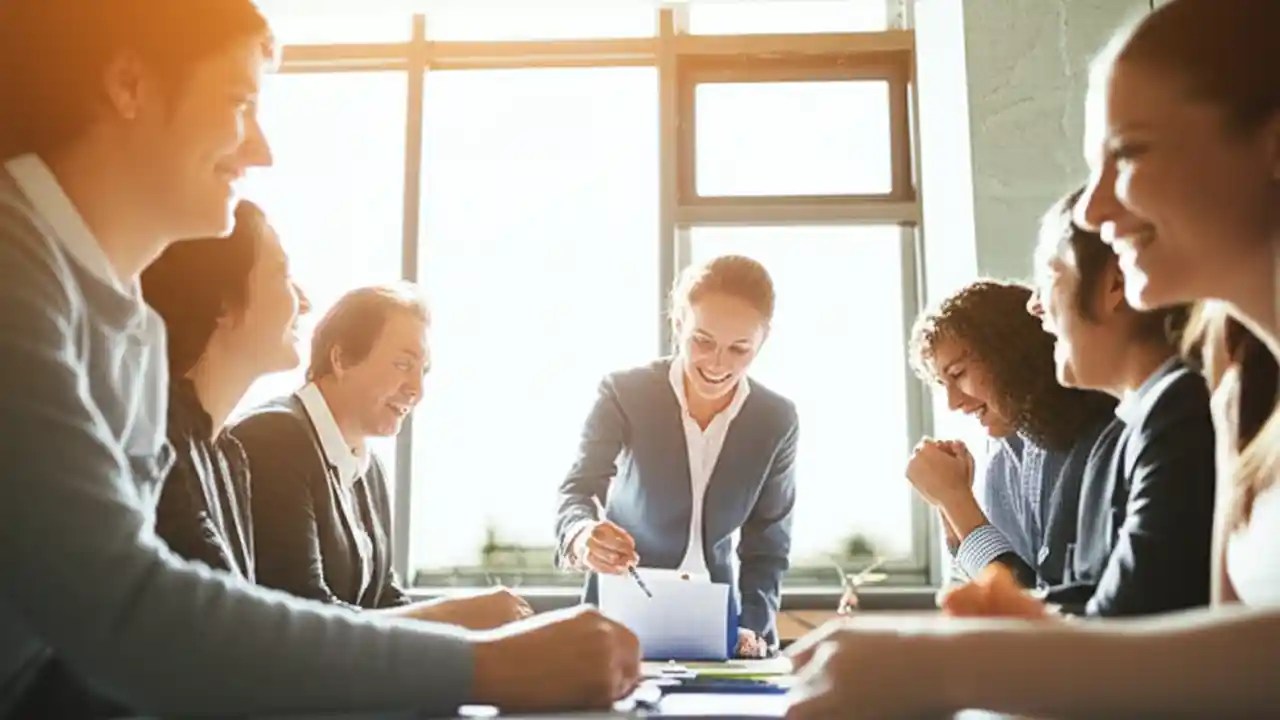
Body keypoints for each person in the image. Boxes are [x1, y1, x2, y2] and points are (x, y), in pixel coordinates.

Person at [0, 2, 638, 717]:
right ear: (129, 84)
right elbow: (123, 610)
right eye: (240, 102)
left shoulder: (132, 331)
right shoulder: (12, 277)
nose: (260, 150)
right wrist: (485, 667)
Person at [785, 2, 1280, 717]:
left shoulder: (1172, 409)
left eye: (1131, 152)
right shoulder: (1234, 388)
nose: (1094, 209)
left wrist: (955, 664)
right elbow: (1221, 662)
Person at [233, 283, 532, 629]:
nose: (417, 390)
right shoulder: (275, 438)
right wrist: (454, 615)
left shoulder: (367, 466)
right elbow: (304, 616)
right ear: (341, 358)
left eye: (424, 372)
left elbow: (384, 599)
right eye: (403, 364)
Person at [555, 255, 799, 658]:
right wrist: (582, 536)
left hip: (723, 630)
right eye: (702, 341)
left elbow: (767, 546)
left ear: (763, 340)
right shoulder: (625, 393)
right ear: (678, 323)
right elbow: (578, 489)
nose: (718, 364)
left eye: (740, 348)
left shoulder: (776, 419)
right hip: (618, 616)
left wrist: (752, 628)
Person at [1018, 187, 1215, 616]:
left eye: (1049, 276)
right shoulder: (1120, 434)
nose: (1034, 305)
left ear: (1115, 283)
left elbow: (1130, 618)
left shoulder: (1181, 414)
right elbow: (1096, 592)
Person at [904, 280, 1115, 591]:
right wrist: (949, 509)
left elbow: (1035, 606)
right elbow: (994, 602)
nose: (953, 403)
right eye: (941, 383)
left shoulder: (1098, 438)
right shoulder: (1000, 464)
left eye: (958, 374)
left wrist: (957, 500)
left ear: (1009, 352)